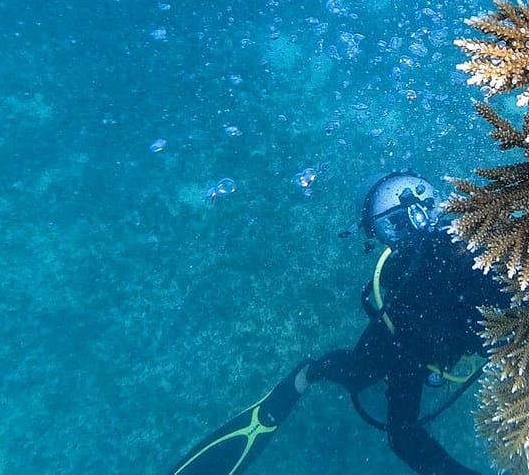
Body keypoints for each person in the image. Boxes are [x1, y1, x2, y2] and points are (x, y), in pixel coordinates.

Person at [170, 170, 510, 475]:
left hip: (424, 343)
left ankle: (309, 373)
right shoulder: (408, 301)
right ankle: (307, 374)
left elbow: (403, 438)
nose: (420, 226)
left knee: (363, 372)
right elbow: (402, 436)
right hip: (412, 343)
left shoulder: (482, 251)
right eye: (399, 223)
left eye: (426, 209)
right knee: (362, 371)